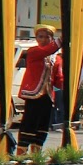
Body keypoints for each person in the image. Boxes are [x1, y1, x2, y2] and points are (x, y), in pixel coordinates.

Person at [15, 25, 61, 153]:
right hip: (34, 93)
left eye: (48, 37)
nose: (44, 39)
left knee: (43, 125)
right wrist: (61, 41)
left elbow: (58, 78)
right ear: (36, 38)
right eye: (41, 36)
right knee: (30, 122)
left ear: (52, 38)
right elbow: (46, 51)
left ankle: (36, 153)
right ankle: (22, 152)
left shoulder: (56, 59)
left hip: (48, 95)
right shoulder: (33, 51)